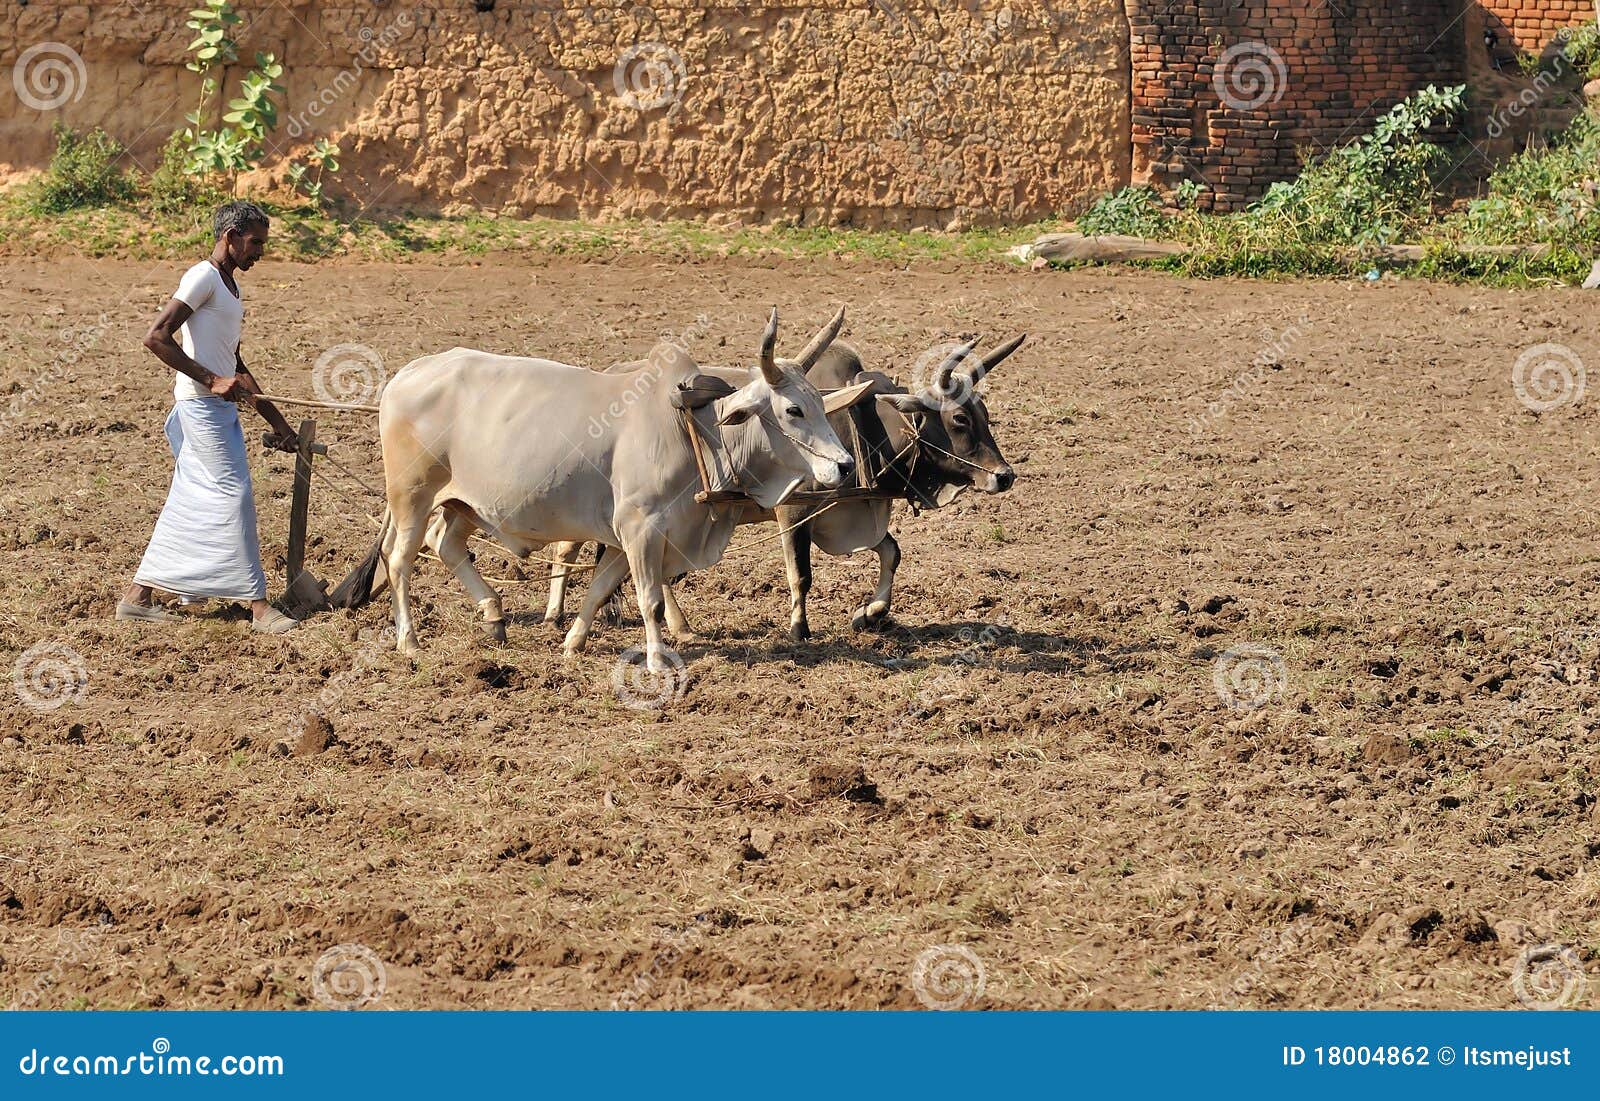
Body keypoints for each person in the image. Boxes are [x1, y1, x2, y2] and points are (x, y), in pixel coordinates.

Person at [118, 200, 302, 633]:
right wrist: (209, 379)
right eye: (255, 242)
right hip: (199, 406)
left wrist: (279, 425)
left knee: (192, 497)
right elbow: (156, 336)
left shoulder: (230, 288)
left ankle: (138, 596)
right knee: (233, 494)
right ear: (230, 236)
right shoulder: (203, 276)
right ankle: (257, 606)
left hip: (213, 408)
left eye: (263, 244)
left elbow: (236, 366)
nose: (259, 252)